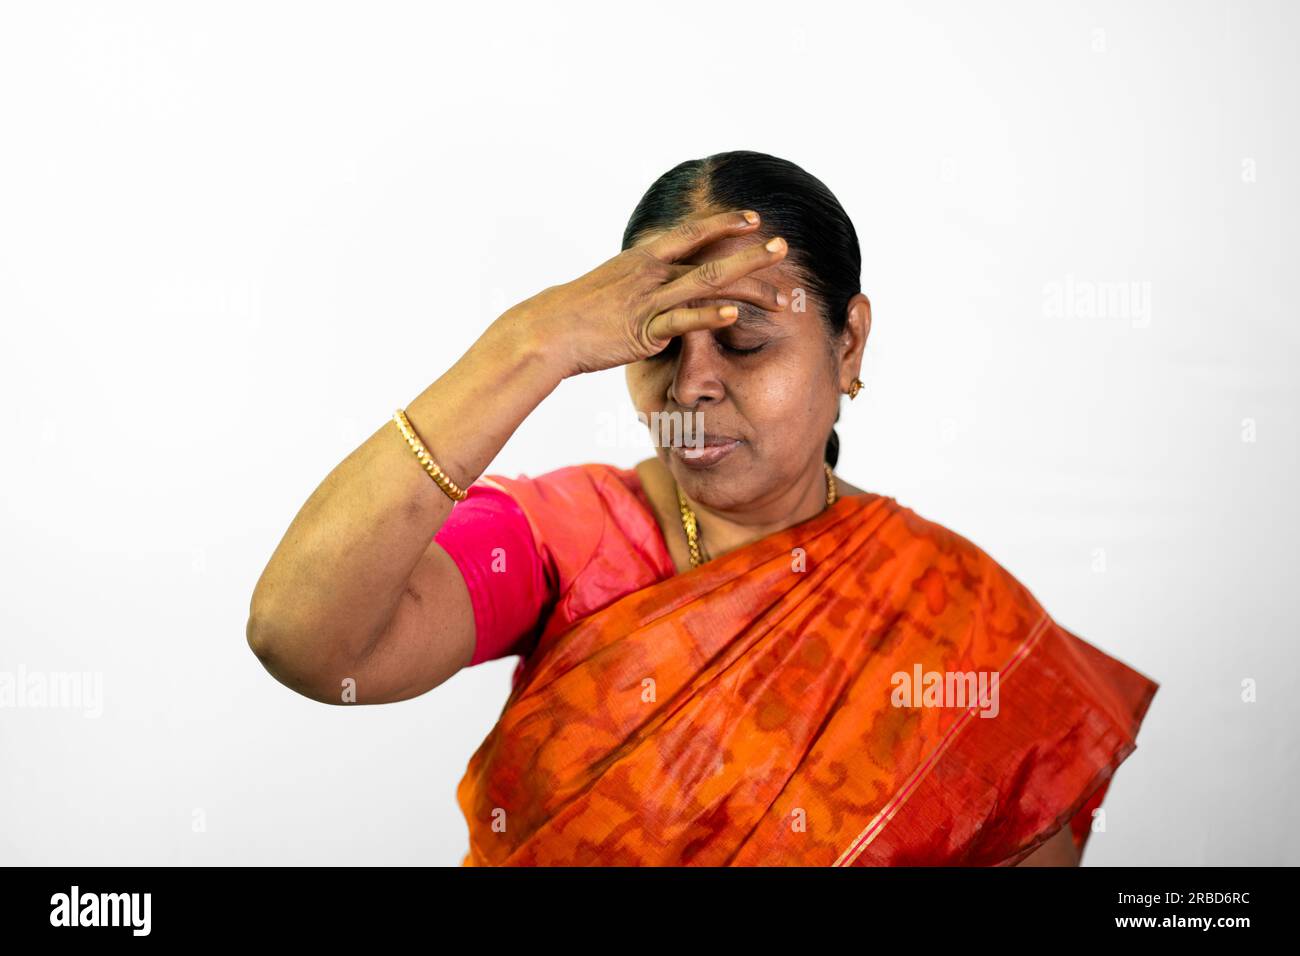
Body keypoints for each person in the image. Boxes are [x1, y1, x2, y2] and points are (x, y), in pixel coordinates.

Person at [246, 150, 1157, 866]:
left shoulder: (960, 615)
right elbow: (306, 638)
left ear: (848, 342)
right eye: (657, 348)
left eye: (746, 341)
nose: (694, 388)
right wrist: (530, 344)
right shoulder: (571, 537)